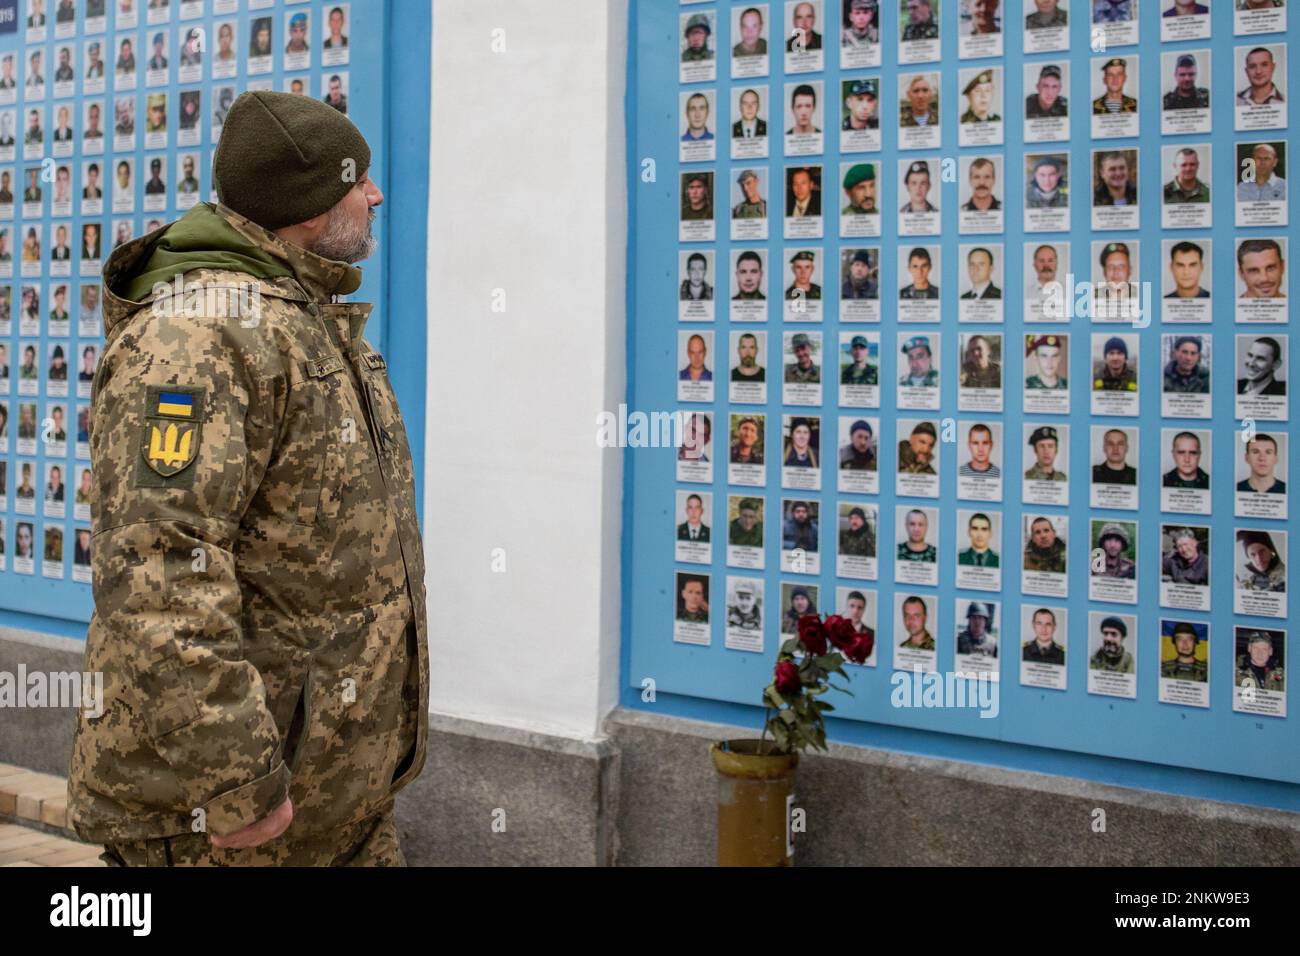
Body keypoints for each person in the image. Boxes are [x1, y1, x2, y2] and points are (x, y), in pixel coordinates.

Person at [69, 91, 429, 867]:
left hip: (334, 805)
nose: (374, 195)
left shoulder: (302, 317)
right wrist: (239, 786)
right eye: (356, 179)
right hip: (227, 828)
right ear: (306, 207)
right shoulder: (196, 339)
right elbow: (158, 580)